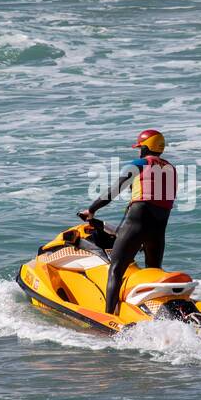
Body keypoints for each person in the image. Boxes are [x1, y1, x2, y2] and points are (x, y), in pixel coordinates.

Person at [78, 129, 176, 315]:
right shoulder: (171, 169)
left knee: (115, 269)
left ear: (145, 148)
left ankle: (109, 317)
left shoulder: (139, 164)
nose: (139, 151)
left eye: (140, 147)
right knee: (153, 272)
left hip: (136, 225)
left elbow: (113, 191)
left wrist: (91, 210)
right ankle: (157, 314)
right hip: (158, 230)